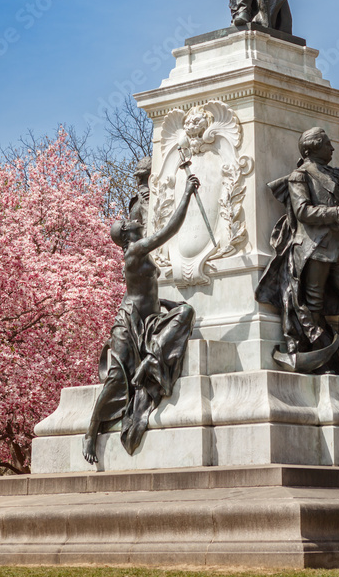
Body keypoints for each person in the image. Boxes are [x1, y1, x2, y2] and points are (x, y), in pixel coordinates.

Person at [82, 172, 199, 463]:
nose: (132, 219)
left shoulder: (137, 246)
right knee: (115, 380)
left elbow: (153, 223)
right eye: (126, 222)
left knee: (185, 311)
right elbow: (168, 231)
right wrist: (186, 193)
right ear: (126, 235)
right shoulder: (134, 251)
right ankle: (91, 431)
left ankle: (150, 359)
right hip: (129, 323)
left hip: (149, 320)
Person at [256, 126, 339, 379]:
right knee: (313, 304)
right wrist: (337, 213)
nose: (333, 148)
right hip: (314, 248)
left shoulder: (334, 175)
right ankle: (318, 358)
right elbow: (303, 211)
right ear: (312, 148)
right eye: (328, 145)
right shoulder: (300, 176)